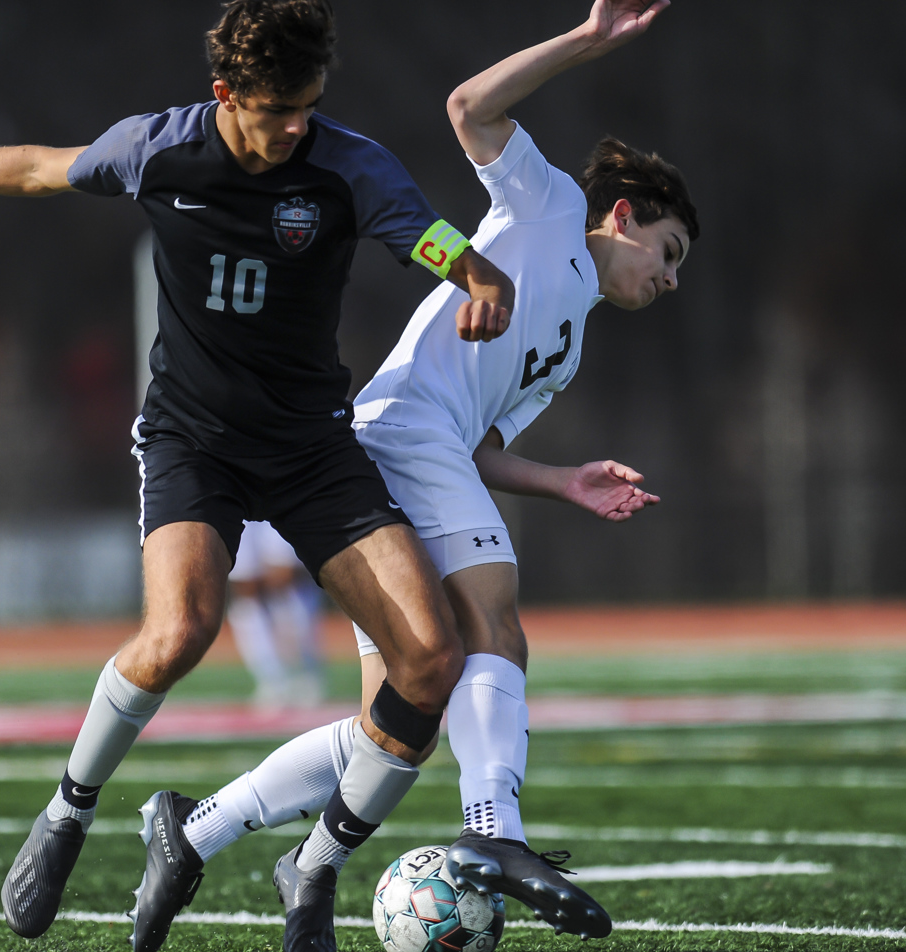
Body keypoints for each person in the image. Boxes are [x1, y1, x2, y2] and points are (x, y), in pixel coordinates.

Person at [0, 2, 516, 949]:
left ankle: (311, 868)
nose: (297, 128)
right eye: (279, 109)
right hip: (193, 441)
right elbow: (38, 167)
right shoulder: (159, 149)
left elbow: (434, 243)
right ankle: (68, 812)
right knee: (181, 632)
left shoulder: (349, 165)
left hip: (312, 449)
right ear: (225, 96)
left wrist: (482, 276)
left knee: (431, 661)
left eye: (310, 107)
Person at [136, 0, 696, 943]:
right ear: (625, 217)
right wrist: (587, 42)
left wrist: (563, 480)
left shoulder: (569, 348)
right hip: (400, 430)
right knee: (496, 622)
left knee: (402, 715)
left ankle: (199, 834)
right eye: (670, 253)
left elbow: (485, 451)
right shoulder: (549, 200)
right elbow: (469, 105)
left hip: (423, 446)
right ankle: (495, 834)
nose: (670, 279)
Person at [228, 520, 324, 707]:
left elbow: (286, 575)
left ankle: (305, 674)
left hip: (277, 495)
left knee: (284, 580)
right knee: (246, 591)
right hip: (236, 502)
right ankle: (272, 680)